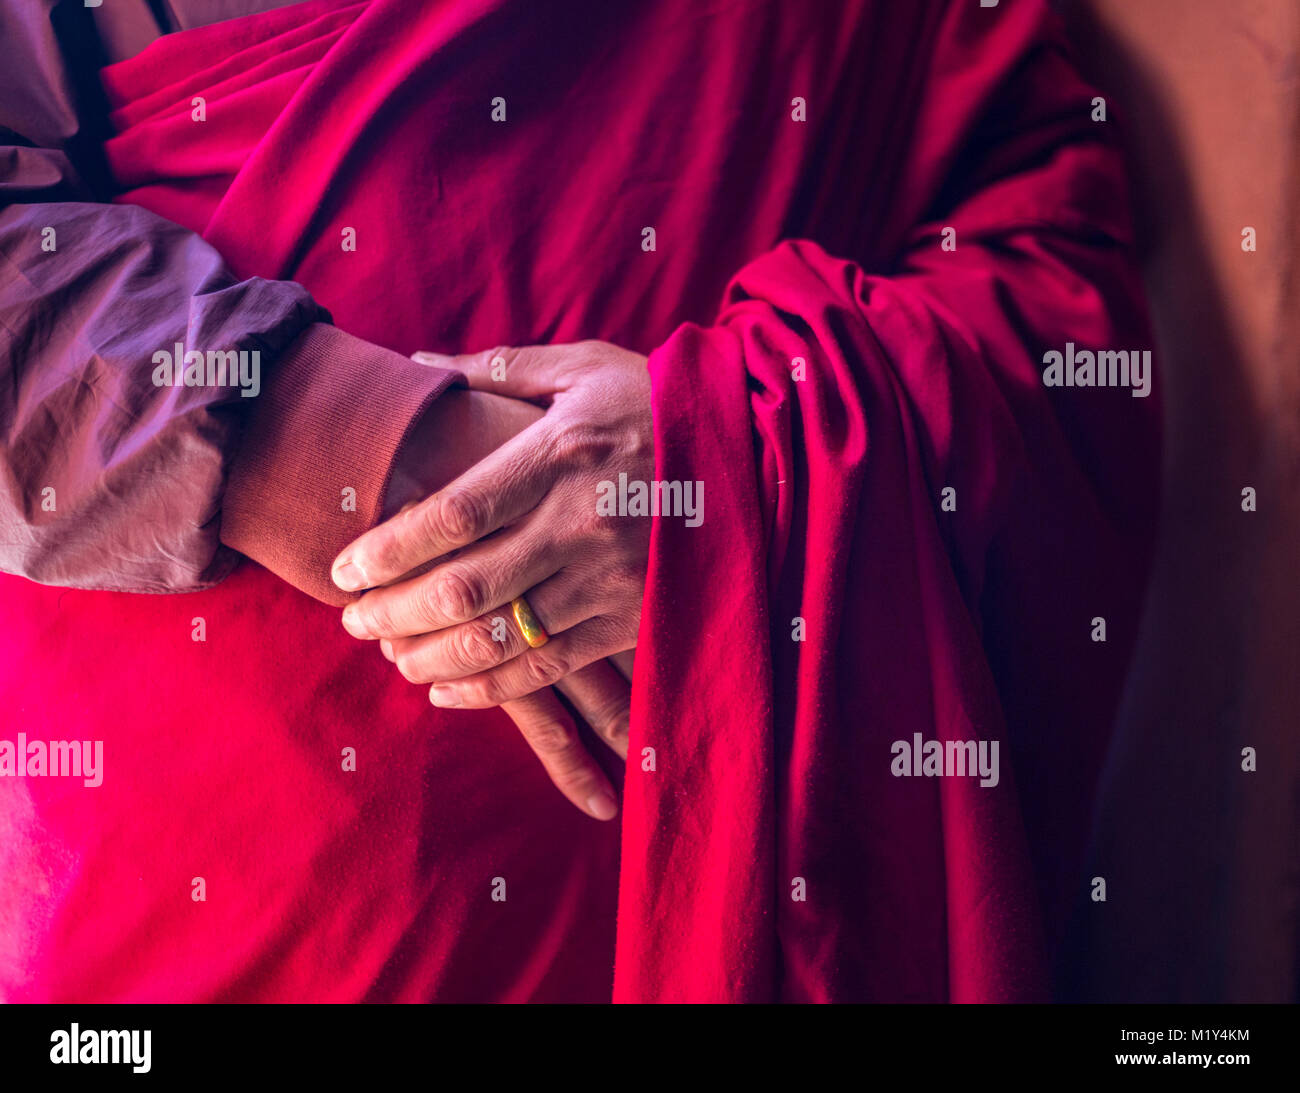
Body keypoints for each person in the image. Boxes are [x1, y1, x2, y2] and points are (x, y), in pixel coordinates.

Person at [0, 0, 1159, 1002]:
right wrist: (348, 443)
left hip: (759, 864)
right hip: (214, 902)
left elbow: (1046, 256)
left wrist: (739, 457)